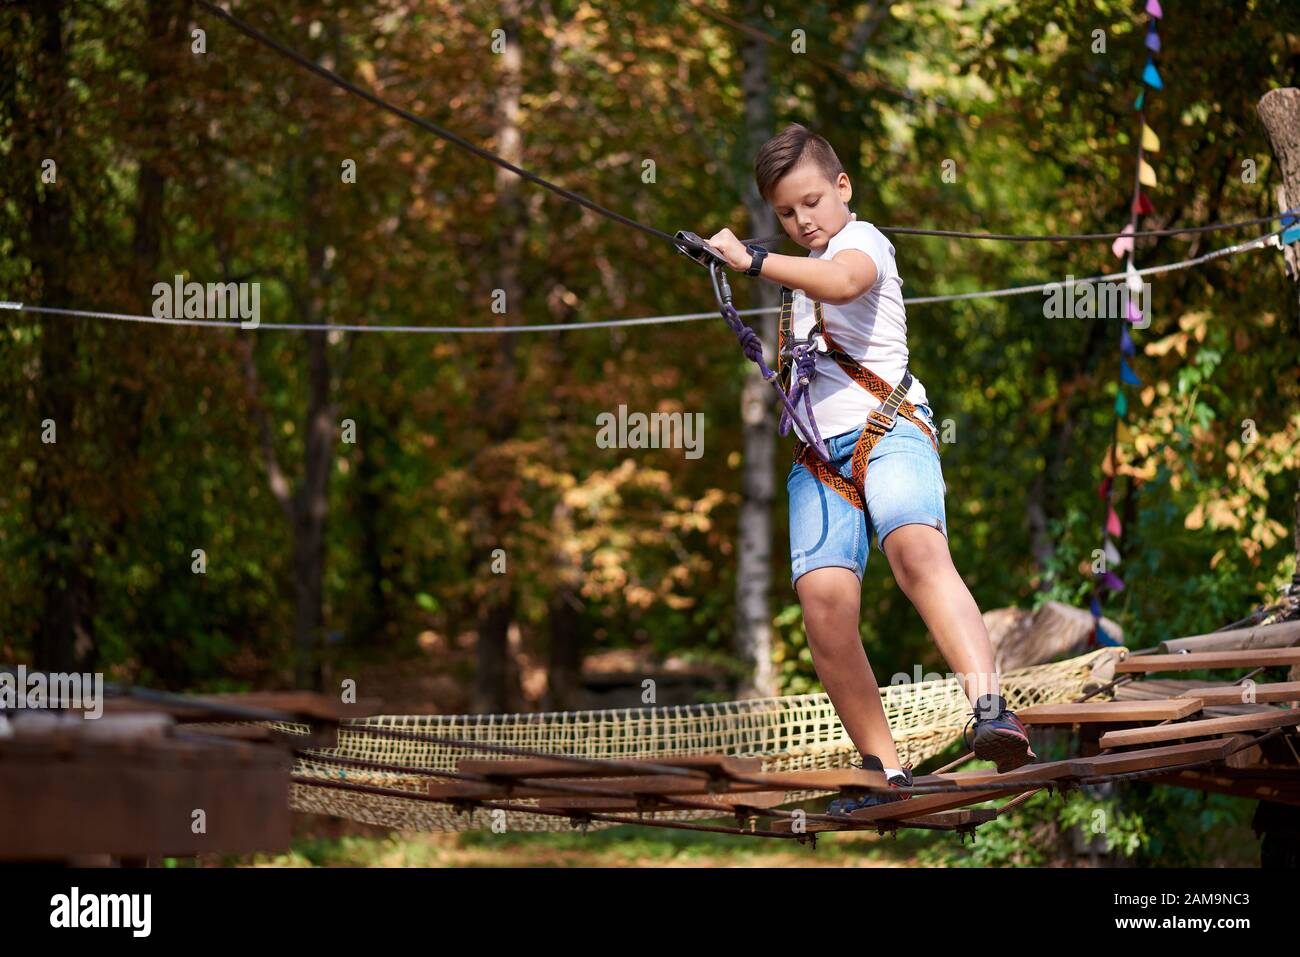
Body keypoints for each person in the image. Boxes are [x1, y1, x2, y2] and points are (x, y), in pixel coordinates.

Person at [708, 123, 1035, 816]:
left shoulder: (863, 243)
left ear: (843, 187)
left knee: (916, 551)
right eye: (787, 213)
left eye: (812, 202)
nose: (803, 221)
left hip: (890, 432)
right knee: (824, 607)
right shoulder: (799, 276)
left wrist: (754, 259)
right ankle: (883, 765)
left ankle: (991, 707)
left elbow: (843, 281)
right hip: (820, 457)